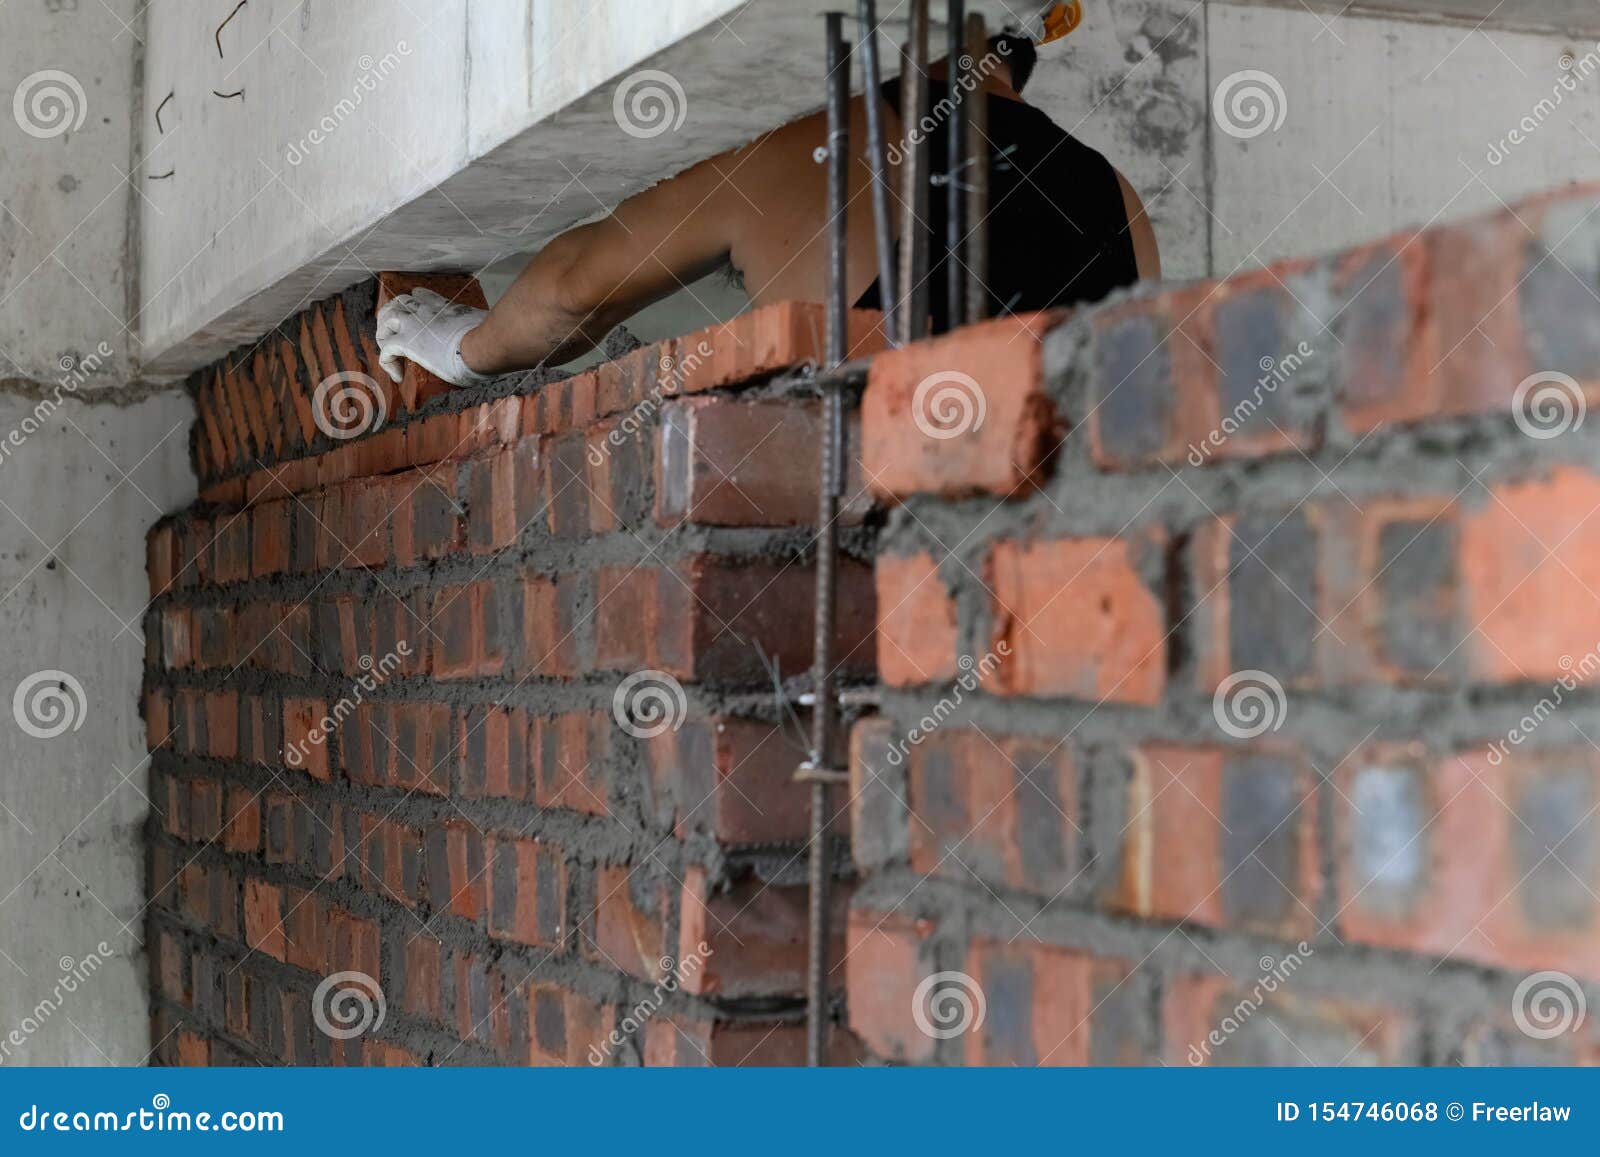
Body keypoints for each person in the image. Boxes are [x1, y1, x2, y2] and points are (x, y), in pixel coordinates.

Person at [375, 26, 1159, 388]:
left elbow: (578, 289)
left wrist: (456, 348)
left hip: (857, 588)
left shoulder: (824, 150)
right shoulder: (1118, 198)